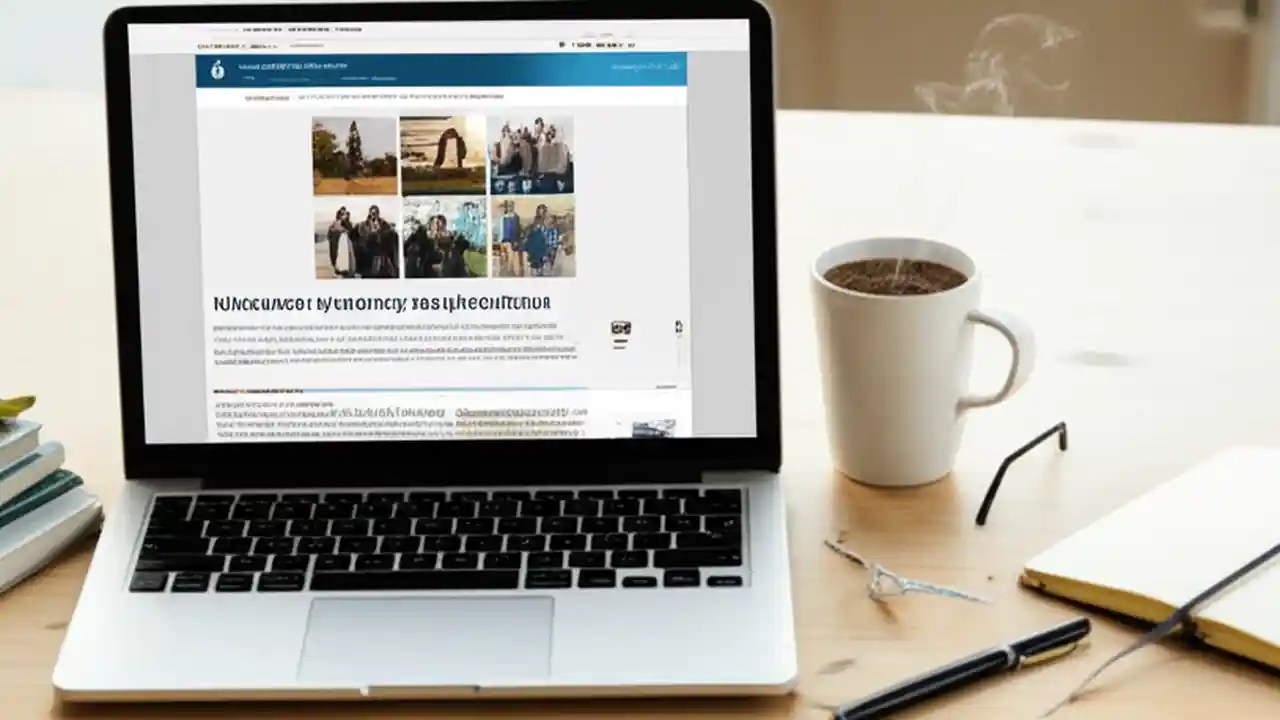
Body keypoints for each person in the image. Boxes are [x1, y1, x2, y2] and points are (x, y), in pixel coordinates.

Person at [524, 204, 550, 277]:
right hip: (536, 238)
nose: (540, 212)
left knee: (542, 255)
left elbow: (546, 228)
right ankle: (535, 270)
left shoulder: (546, 218)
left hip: (542, 238)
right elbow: (533, 227)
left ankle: (540, 270)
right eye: (539, 210)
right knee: (535, 255)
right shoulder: (536, 218)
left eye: (542, 210)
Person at [326, 206, 352, 273]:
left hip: (343, 242)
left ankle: (343, 268)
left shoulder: (347, 223)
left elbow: (349, 231)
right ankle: (336, 268)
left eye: (344, 213)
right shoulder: (335, 223)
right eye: (341, 213)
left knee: (343, 255)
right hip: (335, 241)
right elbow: (329, 233)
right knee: (334, 255)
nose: (342, 215)